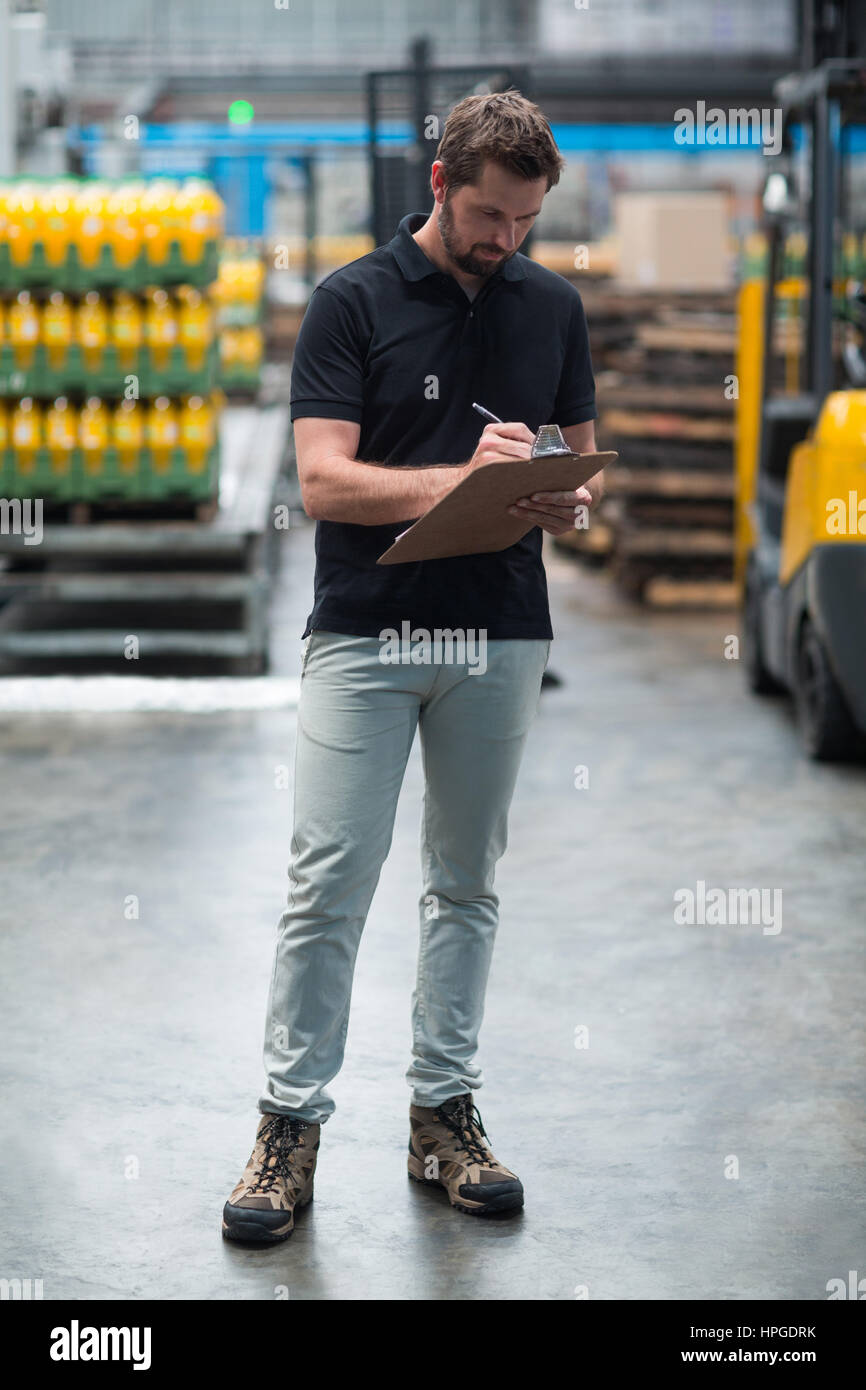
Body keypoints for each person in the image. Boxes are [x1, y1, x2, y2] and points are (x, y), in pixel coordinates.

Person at [223, 89, 601, 1243]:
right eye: (489, 215)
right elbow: (324, 483)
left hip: (498, 630)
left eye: (526, 221)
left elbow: (582, 472)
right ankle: (286, 1128)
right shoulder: (350, 301)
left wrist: (559, 494)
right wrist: (461, 477)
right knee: (328, 880)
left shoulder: (552, 305)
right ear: (439, 184)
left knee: (466, 882)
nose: (506, 241)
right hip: (365, 631)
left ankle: (443, 1115)